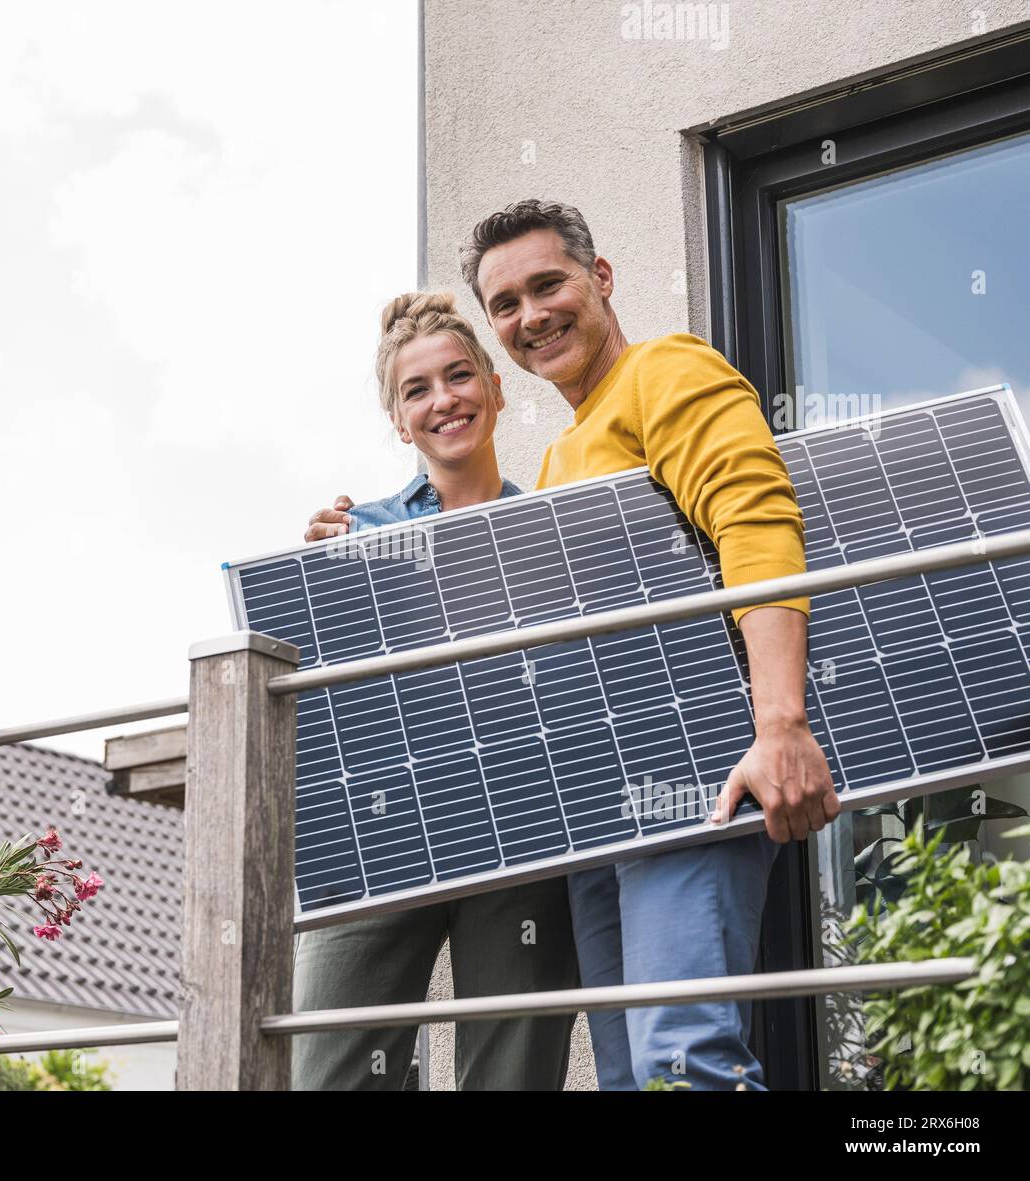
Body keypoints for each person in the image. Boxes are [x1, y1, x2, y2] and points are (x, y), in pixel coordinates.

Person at [310, 200, 839, 1090]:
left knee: (688, 1055)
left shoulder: (665, 369)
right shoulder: (558, 468)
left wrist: (780, 721)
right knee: (632, 1075)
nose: (532, 315)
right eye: (507, 303)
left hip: (687, 780)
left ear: (600, 279)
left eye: (547, 284)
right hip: (596, 815)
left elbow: (755, 520)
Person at [292, 291, 580, 1091]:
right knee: (328, 1070)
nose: (443, 399)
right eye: (417, 389)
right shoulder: (351, 535)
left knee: (513, 1076)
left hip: (520, 826)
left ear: (496, 386)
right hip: (380, 832)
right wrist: (319, 578)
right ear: (398, 418)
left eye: (459, 376)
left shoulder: (556, 525)